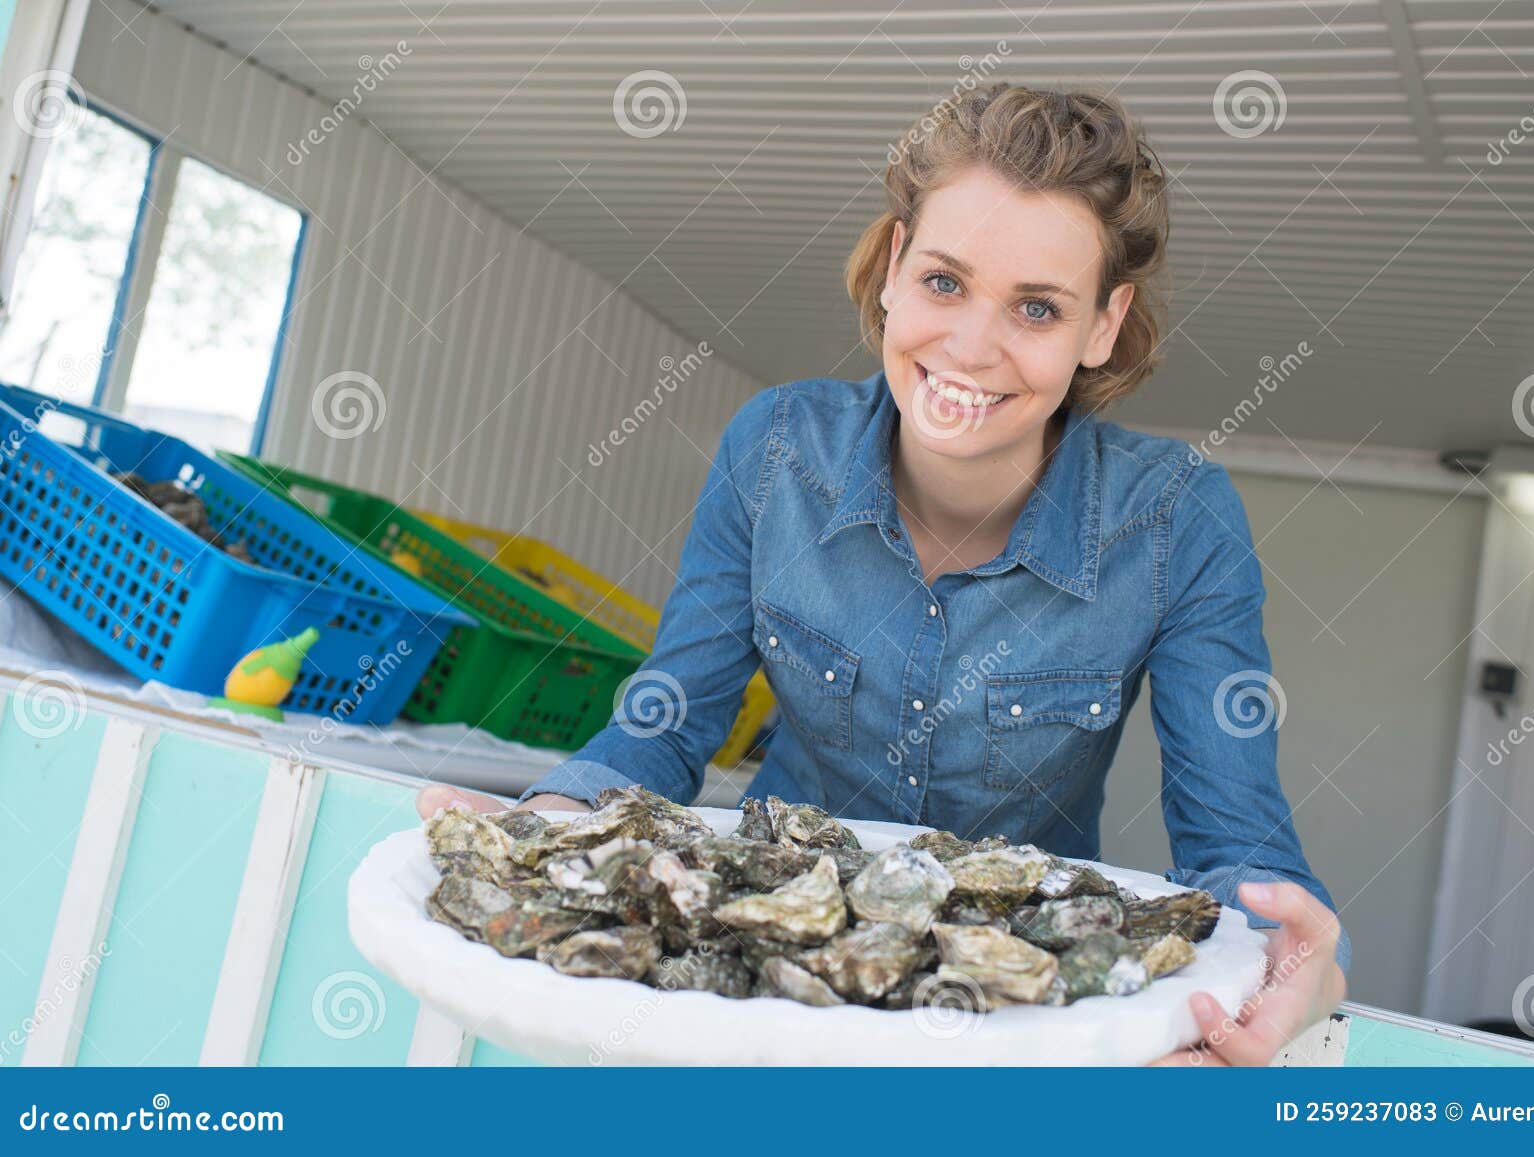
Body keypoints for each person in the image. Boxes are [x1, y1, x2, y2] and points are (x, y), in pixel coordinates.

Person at [416, 83, 1349, 1065]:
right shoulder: (773, 446)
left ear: (1103, 326)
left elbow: (1236, 845)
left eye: (1037, 306)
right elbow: (670, 716)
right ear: (895, 265)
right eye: (945, 282)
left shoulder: (1175, 517)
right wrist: (546, 828)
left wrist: (1296, 969)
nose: (972, 348)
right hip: (766, 970)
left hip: (1010, 1012)